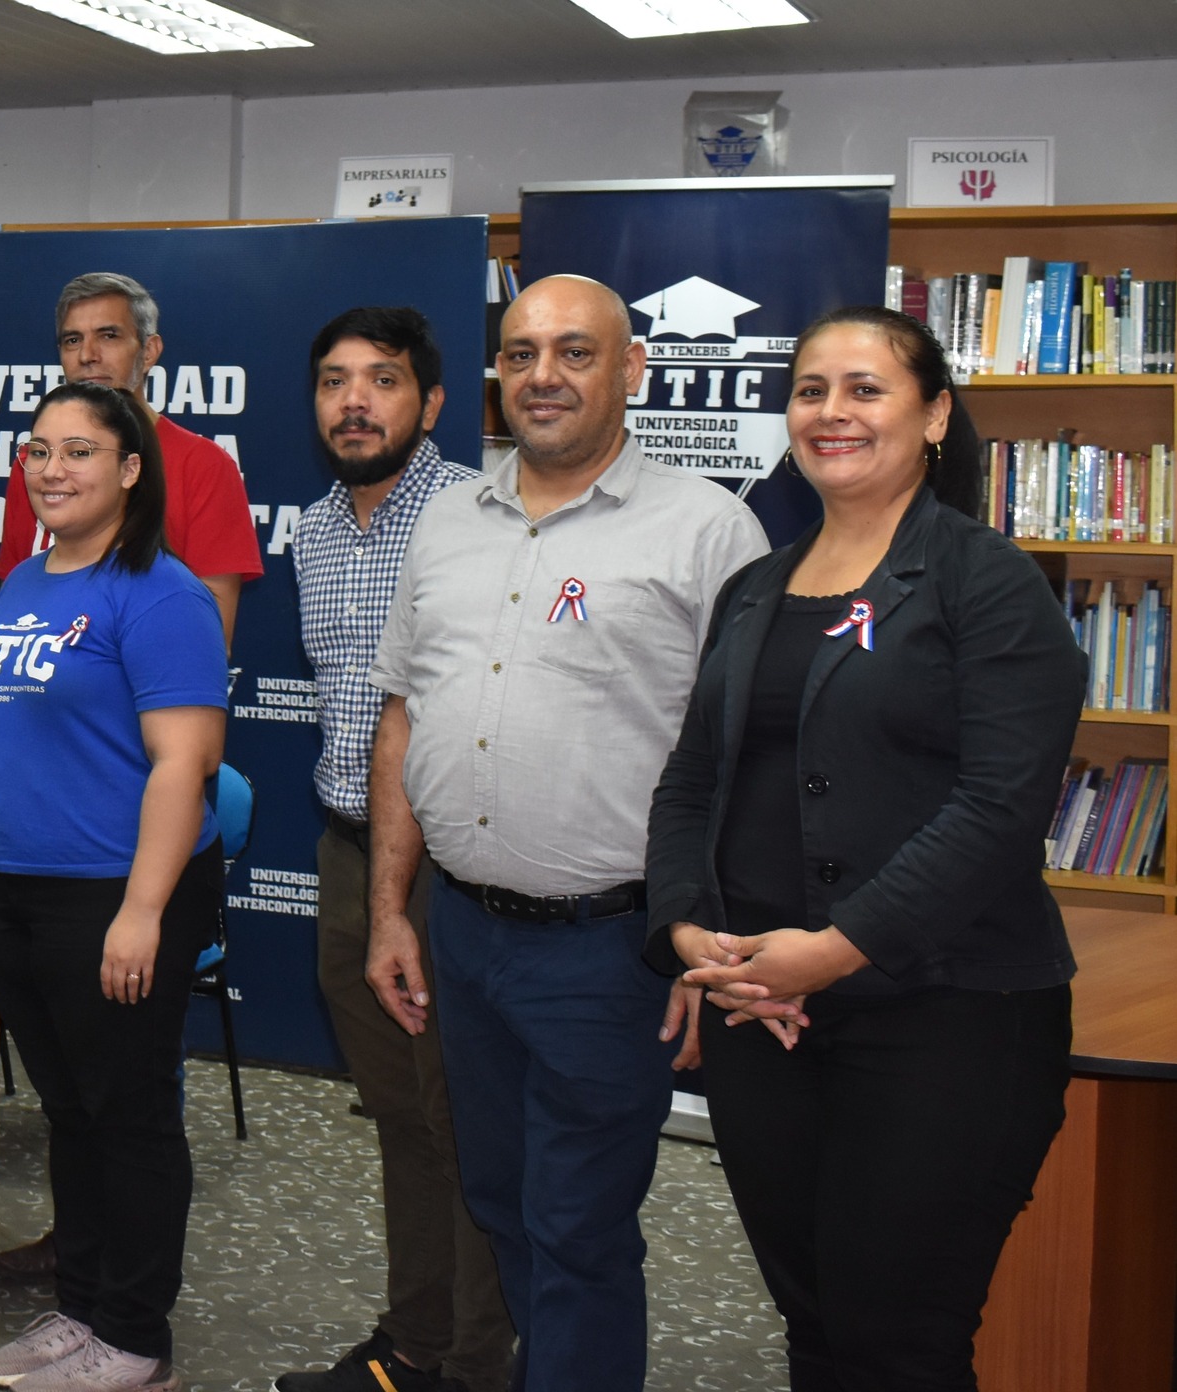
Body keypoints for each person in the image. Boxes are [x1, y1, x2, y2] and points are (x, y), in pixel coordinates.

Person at [649, 306, 1080, 1390]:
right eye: (809, 390)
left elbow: (998, 809)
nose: (831, 412)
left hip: (949, 1018)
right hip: (766, 1018)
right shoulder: (755, 590)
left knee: (900, 1340)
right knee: (817, 1325)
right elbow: (695, 779)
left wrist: (833, 950)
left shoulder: (989, 582)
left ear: (934, 413)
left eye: (865, 388)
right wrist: (692, 931)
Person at [364, 276, 768, 1389]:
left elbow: (748, 758)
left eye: (576, 352)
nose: (544, 375)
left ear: (631, 370)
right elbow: (404, 715)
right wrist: (390, 908)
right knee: (498, 1197)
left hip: (613, 948)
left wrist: (704, 941)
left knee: (578, 1225)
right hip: (465, 936)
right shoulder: (447, 518)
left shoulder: (708, 530)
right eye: (521, 352)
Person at [0, 382, 228, 1392]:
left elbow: (183, 764)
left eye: (79, 453)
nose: (52, 469)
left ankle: (135, 1334)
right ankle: (79, 1306)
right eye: (38, 450)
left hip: (117, 895)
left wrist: (145, 912)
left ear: (128, 471)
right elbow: (8, 740)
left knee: (130, 1115)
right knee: (69, 1114)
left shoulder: (159, 592)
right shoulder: (26, 581)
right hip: (23, 891)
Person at [278, 309, 508, 1392]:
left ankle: (473, 1362)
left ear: (433, 402)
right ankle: (416, 1343)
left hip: (453, 868)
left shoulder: (481, 516)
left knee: (463, 1121)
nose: (354, 402)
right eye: (334, 382)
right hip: (348, 852)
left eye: (381, 380)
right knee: (402, 1119)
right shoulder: (315, 530)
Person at [0, 272, 262, 642]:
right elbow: (12, 608)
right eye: (72, 340)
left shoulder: (204, 465)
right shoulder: (37, 460)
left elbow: (208, 637)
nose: (88, 356)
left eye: (109, 335)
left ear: (149, 351)